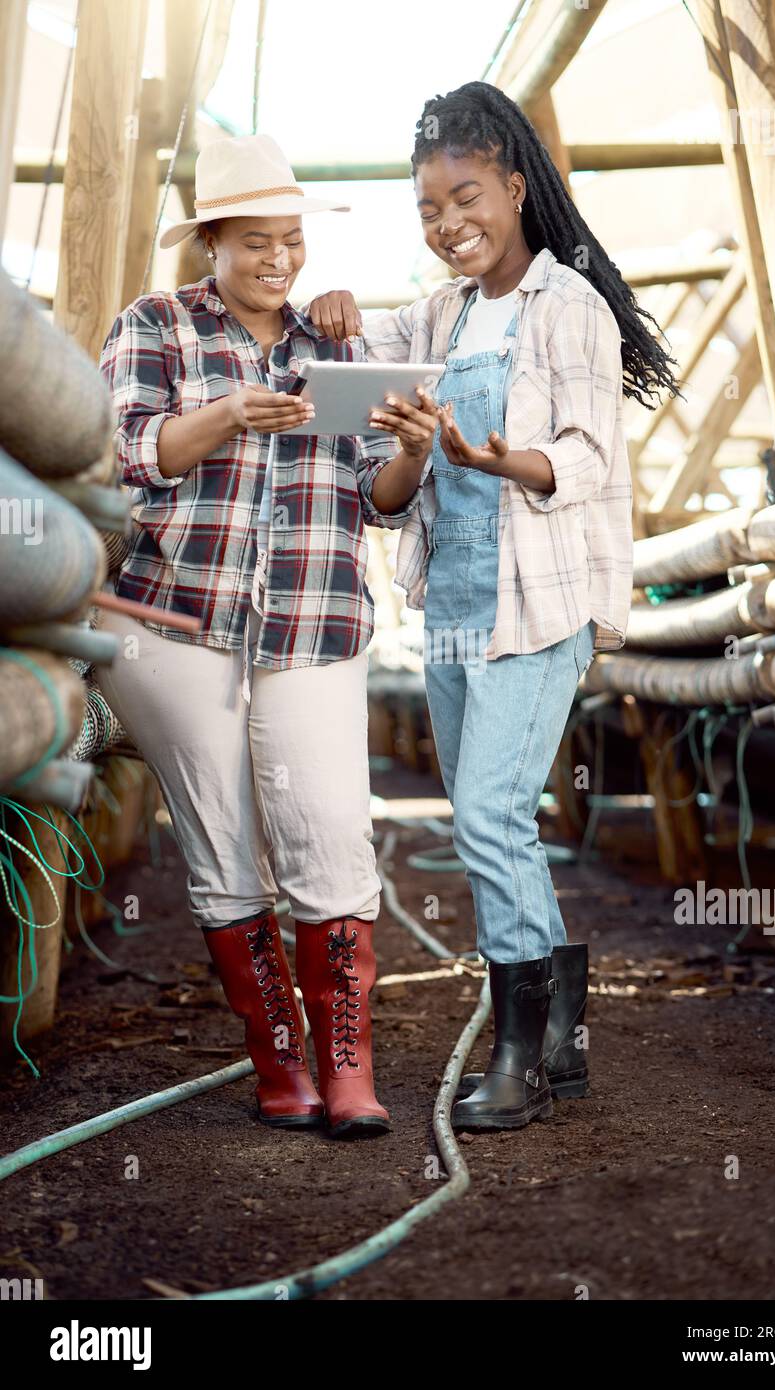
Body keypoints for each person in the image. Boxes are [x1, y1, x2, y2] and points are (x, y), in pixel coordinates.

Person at [308, 82, 681, 1131]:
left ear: (516, 185)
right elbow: (351, 349)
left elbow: (590, 457)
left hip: (541, 601)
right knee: (501, 822)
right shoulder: (442, 314)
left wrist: (493, 456)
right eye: (428, 209)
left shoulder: (572, 308)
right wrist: (333, 306)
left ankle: (515, 1055)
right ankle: (561, 1038)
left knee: (485, 815)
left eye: (466, 197)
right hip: (458, 605)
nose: (448, 224)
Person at [95, 134, 439, 1139]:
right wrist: (222, 419)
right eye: (254, 243)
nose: (278, 261)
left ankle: (346, 1067)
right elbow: (121, 459)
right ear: (210, 241)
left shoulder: (338, 343)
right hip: (177, 617)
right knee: (220, 839)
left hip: (310, 615)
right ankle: (278, 1060)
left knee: (331, 827)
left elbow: (376, 497)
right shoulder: (153, 326)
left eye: (290, 241)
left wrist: (413, 454)